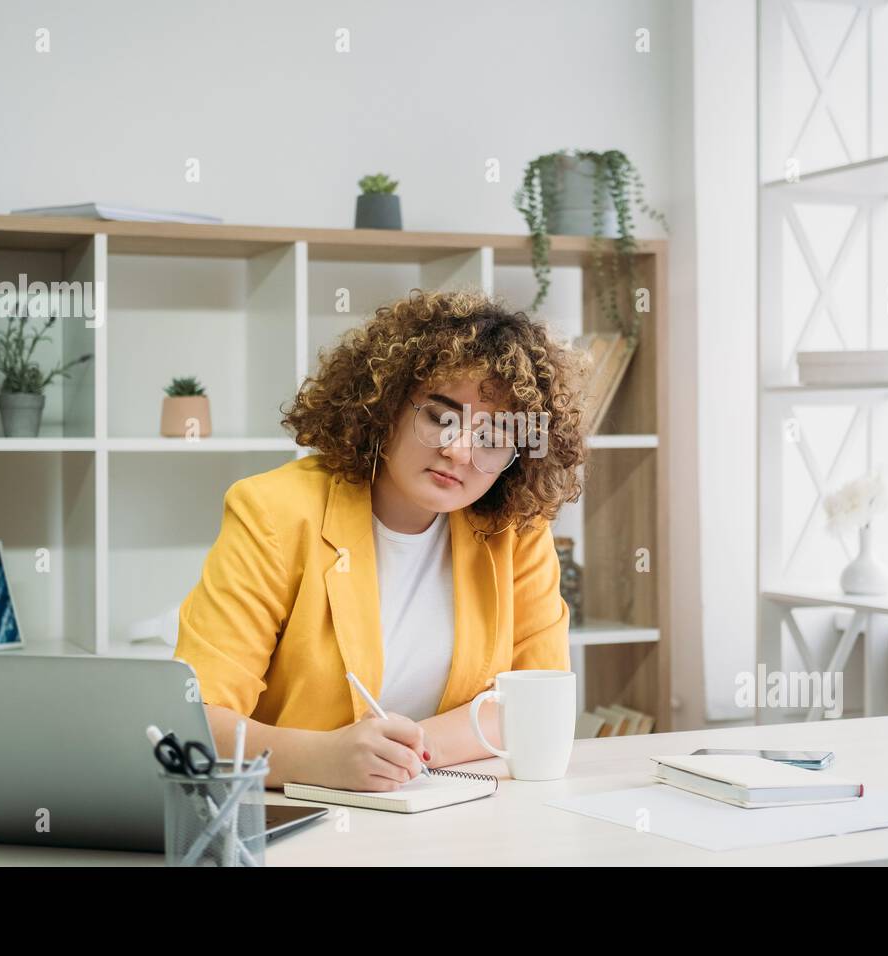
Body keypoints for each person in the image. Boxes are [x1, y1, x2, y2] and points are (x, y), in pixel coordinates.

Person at [173, 288, 589, 791]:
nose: (459, 451)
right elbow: (194, 720)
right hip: (295, 814)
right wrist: (321, 758)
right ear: (386, 404)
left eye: (492, 436)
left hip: (444, 808)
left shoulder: (516, 531)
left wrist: (401, 750)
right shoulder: (274, 512)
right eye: (440, 417)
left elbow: (536, 702)